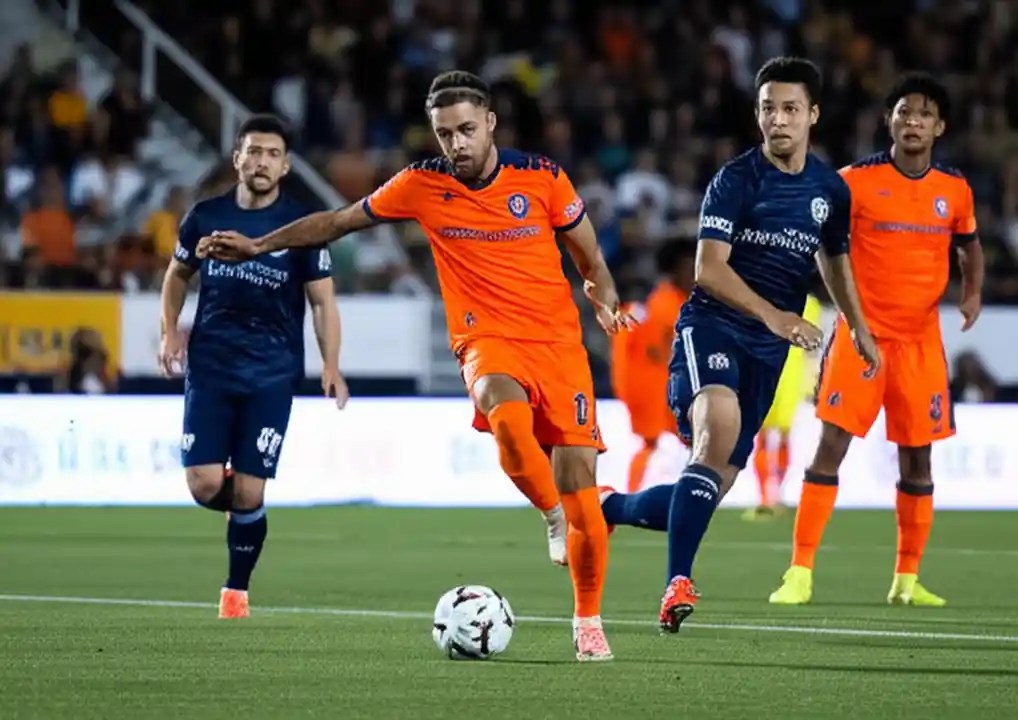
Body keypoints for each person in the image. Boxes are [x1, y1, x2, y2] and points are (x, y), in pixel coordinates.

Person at [200, 72, 629, 662]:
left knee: (584, 488)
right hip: (487, 340)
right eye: (444, 132)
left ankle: (587, 619)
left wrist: (603, 300)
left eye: (467, 130)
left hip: (559, 346)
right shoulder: (421, 184)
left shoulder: (544, 178)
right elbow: (338, 220)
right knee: (505, 417)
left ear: (491, 125)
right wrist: (258, 244)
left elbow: (592, 260)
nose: (457, 143)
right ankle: (550, 513)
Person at [594, 57, 880, 634]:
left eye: (791, 109)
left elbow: (834, 260)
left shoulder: (829, 189)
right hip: (713, 328)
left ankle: (609, 508)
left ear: (813, 116)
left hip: (768, 351)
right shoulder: (735, 180)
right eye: (768, 108)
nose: (778, 120)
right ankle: (678, 581)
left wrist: (858, 324)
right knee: (716, 427)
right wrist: (777, 316)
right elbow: (708, 270)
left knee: (710, 483)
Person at [769, 72, 985, 608]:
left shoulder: (954, 189)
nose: (913, 122)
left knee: (918, 462)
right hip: (861, 338)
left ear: (940, 126)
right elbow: (820, 244)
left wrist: (973, 292)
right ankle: (799, 572)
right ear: (889, 121)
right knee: (830, 451)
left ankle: (907, 580)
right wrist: (849, 315)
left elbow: (970, 244)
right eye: (904, 113)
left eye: (924, 115)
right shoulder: (852, 182)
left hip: (919, 344)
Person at [158, 114, 349, 621]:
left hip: (271, 372)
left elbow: (323, 303)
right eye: (253, 151)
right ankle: (248, 513)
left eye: (272, 154)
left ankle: (235, 592)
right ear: (237, 159)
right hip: (212, 367)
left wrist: (331, 364)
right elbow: (177, 275)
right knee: (203, 485)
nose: (261, 161)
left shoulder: (301, 228)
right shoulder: (205, 216)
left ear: (285, 166)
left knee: (247, 488)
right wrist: (169, 329)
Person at [610, 240, 695, 493]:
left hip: (668, 385)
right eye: (689, 270)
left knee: (691, 439)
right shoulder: (662, 306)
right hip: (652, 386)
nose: (694, 276)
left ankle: (690, 491)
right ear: (674, 271)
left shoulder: (677, 302)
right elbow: (655, 351)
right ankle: (633, 492)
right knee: (653, 442)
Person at [744, 291, 823, 521]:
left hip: (791, 375)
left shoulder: (810, 302)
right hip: (766, 370)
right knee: (764, 435)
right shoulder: (762, 293)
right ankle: (765, 497)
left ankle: (775, 493)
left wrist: (813, 378)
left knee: (782, 435)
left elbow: (812, 346)